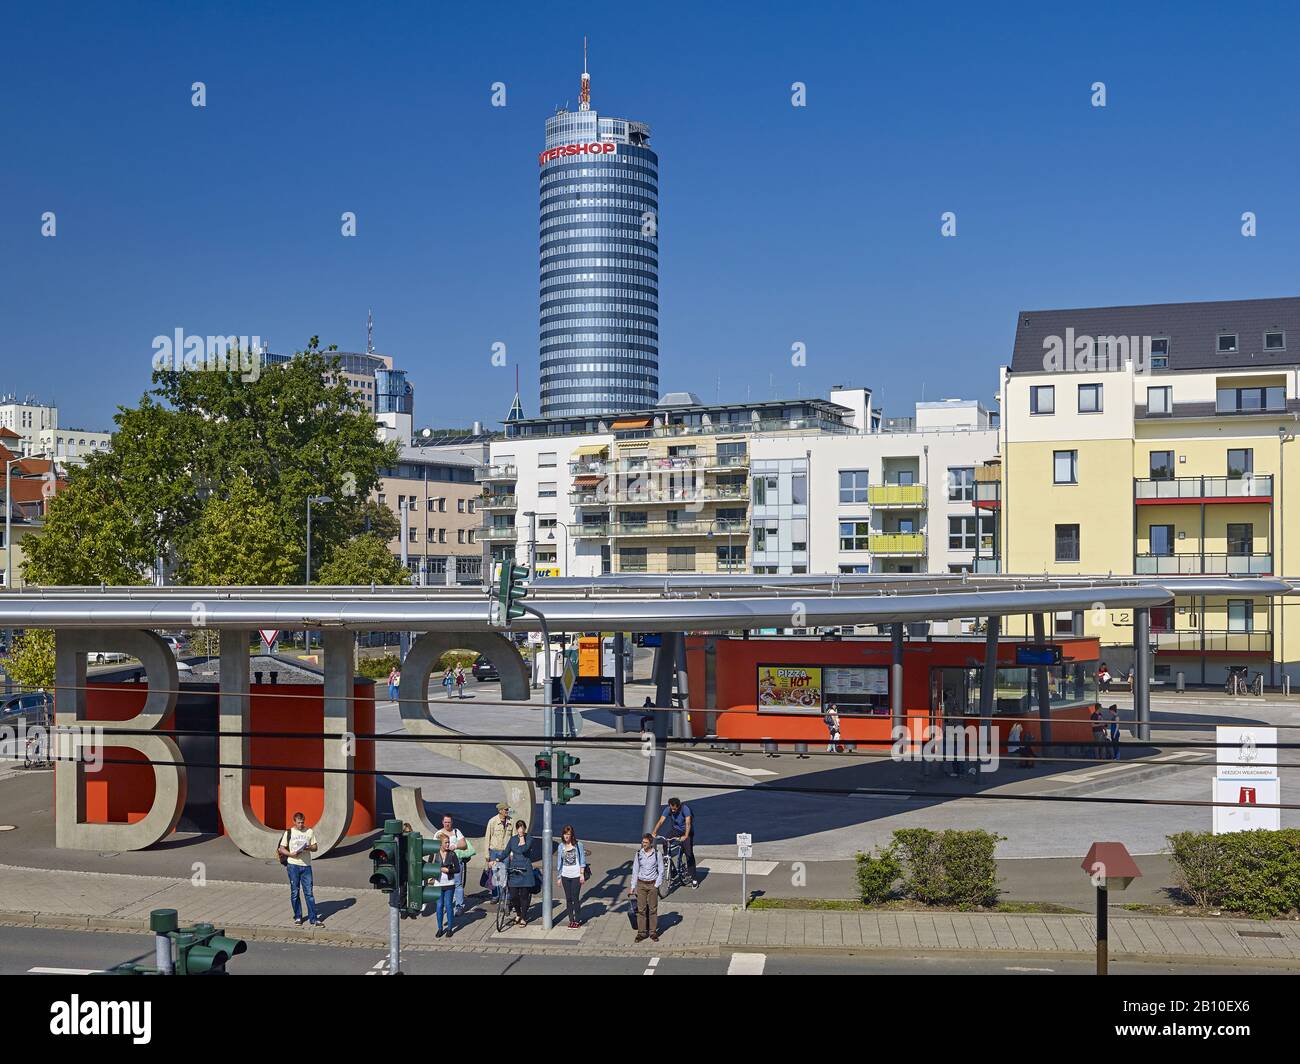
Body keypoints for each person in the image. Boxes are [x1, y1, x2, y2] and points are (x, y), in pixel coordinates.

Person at [278, 812, 323, 927]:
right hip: (293, 865)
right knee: (295, 892)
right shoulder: (289, 832)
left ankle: (313, 918)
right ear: (294, 822)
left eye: (302, 822)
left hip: (306, 866)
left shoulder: (309, 832)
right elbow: (281, 848)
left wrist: (307, 847)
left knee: (309, 893)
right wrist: (290, 854)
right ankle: (298, 916)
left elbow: (315, 847)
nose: (301, 825)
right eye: (299, 823)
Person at [651, 796, 698, 889]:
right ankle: (670, 866)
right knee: (665, 842)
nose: (672, 811)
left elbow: (688, 823)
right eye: (671, 809)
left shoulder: (685, 809)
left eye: (674, 809)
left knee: (689, 853)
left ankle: (693, 878)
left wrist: (685, 836)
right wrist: (654, 831)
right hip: (676, 830)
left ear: (678, 806)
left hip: (687, 831)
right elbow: (661, 821)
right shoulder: (668, 809)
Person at [629, 833, 664, 942]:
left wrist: (656, 885)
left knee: (653, 909)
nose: (643, 844)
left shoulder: (657, 854)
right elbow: (635, 870)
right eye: (642, 842)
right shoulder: (639, 853)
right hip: (641, 884)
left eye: (645, 843)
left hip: (652, 883)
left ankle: (653, 932)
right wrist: (632, 886)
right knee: (641, 910)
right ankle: (641, 933)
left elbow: (661, 870)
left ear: (650, 843)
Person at [435, 813, 471, 915]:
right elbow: (434, 848)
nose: (447, 824)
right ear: (442, 822)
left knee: (458, 884)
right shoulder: (438, 834)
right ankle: (447, 905)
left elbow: (464, 844)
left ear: (452, 822)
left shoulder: (456, 831)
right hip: (442, 863)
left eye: (449, 822)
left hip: (456, 861)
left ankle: (459, 906)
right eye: (445, 822)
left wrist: (455, 845)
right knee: (444, 884)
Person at [555, 825, 587, 929]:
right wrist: (559, 877)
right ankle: (571, 920)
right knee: (568, 899)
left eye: (568, 834)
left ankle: (577, 920)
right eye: (565, 834)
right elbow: (559, 863)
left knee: (575, 898)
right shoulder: (561, 846)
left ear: (572, 835)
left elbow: (582, 861)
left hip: (576, 875)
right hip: (565, 875)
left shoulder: (578, 845)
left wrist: (582, 874)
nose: (566, 836)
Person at [503, 819, 534, 926]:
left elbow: (524, 850)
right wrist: (496, 859)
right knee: (513, 895)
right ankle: (519, 913)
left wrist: (522, 839)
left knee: (524, 895)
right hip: (515, 870)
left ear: (525, 828)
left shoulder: (529, 838)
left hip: (525, 870)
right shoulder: (512, 840)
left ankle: (524, 917)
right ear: (516, 829)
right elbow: (506, 851)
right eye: (519, 828)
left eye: (522, 827)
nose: (521, 830)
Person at [483, 802, 513, 903]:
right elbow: (487, 838)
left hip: (506, 852)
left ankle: (506, 896)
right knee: (495, 874)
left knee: (506, 873)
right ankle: (495, 895)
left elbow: (513, 838)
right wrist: (487, 855)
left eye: (507, 809)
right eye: (505, 810)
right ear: (500, 811)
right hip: (494, 851)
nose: (507, 811)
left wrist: (511, 853)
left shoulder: (511, 821)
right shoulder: (492, 821)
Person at [432, 833, 461, 938]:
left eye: (449, 842)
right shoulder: (435, 853)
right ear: (440, 844)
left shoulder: (452, 854)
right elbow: (430, 865)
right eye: (446, 842)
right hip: (438, 883)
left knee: (448, 905)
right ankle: (440, 928)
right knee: (439, 906)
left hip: (449, 883)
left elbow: (457, 869)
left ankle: (449, 928)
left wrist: (448, 870)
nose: (448, 844)